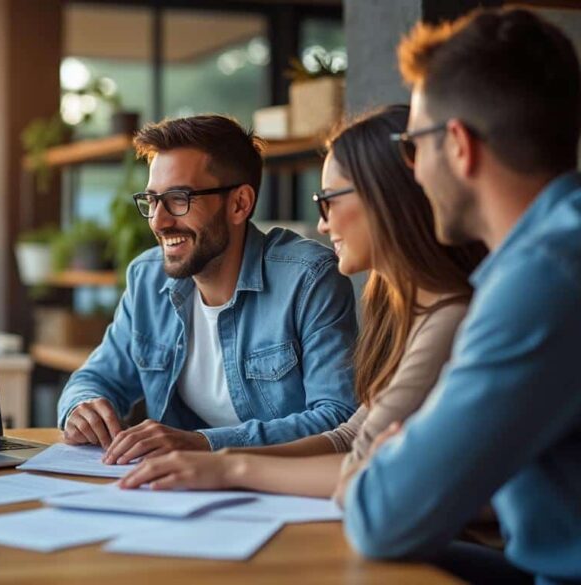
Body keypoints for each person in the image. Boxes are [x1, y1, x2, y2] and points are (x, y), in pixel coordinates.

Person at [119, 105, 487, 496]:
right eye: (153, 201)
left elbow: (364, 475)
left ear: (386, 200)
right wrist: (219, 460)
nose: (324, 224)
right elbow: (349, 437)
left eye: (329, 200)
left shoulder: (449, 318)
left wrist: (229, 465)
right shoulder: (407, 315)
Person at [335, 9, 581, 583]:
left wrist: (384, 463)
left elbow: (383, 515)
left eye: (412, 146)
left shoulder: (542, 279)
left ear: (458, 145)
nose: (413, 172)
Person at [57, 114, 359, 462]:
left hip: (281, 490)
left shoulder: (308, 279)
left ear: (239, 204)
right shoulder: (146, 278)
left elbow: (337, 419)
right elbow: (96, 377)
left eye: (179, 199)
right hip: (184, 491)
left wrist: (202, 444)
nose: (158, 220)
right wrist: (82, 406)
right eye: (152, 200)